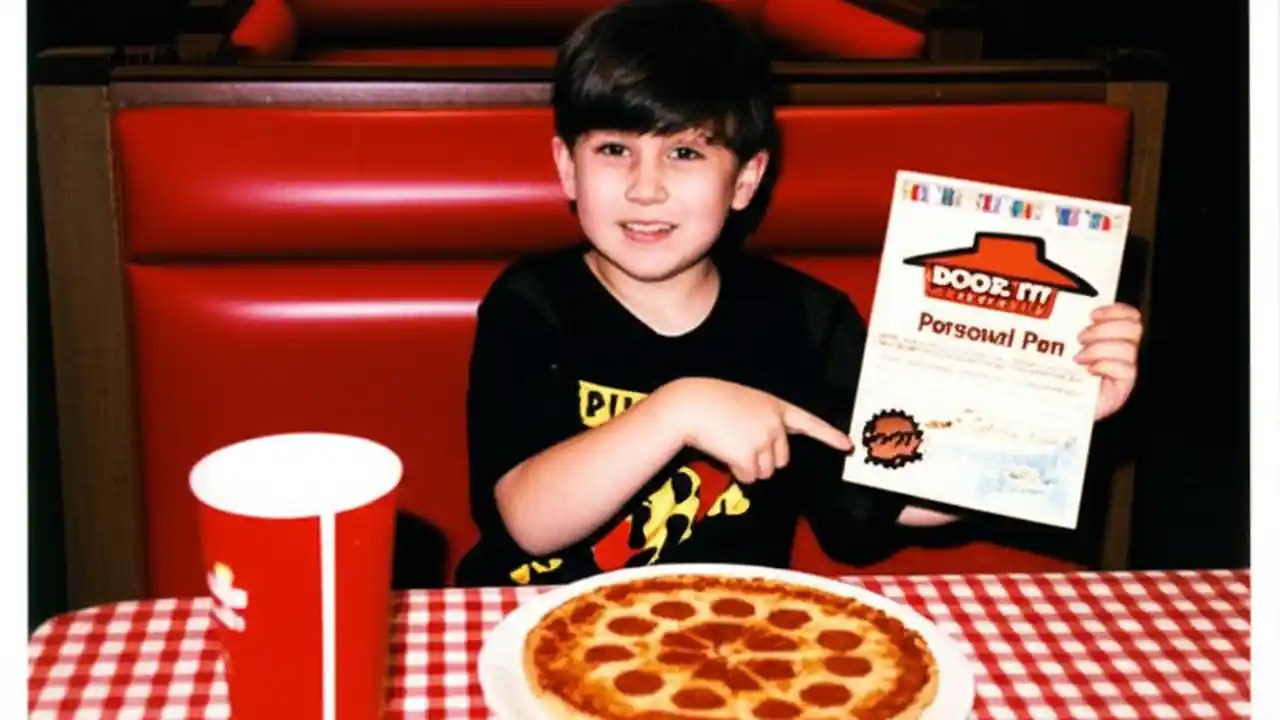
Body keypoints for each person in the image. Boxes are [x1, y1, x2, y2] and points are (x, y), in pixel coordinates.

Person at [454, 0, 1144, 587]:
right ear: (566, 167)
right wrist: (683, 408)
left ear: (747, 179)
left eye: (686, 152)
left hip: (725, 634)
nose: (645, 186)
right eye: (614, 150)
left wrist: (1050, 416)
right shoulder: (533, 302)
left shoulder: (802, 320)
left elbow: (893, 497)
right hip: (525, 618)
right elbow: (530, 519)